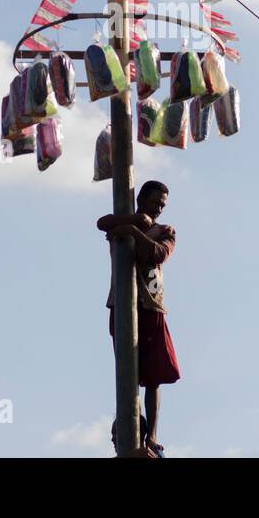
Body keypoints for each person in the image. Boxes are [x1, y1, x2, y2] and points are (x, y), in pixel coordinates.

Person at [98, 180, 180, 457]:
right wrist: (133, 221)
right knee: (127, 370)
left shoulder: (165, 231)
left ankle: (152, 435)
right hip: (121, 303)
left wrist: (131, 230)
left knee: (153, 376)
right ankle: (131, 430)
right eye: (155, 202)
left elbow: (157, 253)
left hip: (151, 304)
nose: (158, 208)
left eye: (162, 205)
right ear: (141, 199)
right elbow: (103, 223)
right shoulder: (128, 218)